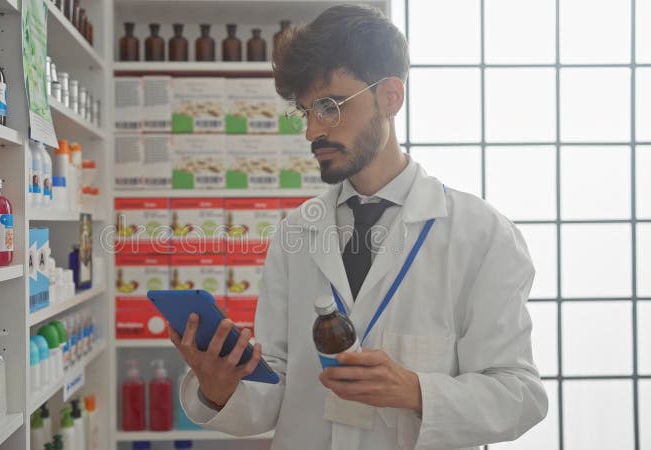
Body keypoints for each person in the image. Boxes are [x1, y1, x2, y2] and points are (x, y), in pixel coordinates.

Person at [168, 5, 548, 449]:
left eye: (329, 106)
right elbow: (275, 387)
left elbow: (519, 395)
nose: (312, 131)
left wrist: (415, 390)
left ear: (390, 97)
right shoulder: (296, 232)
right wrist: (221, 386)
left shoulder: (481, 235)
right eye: (305, 111)